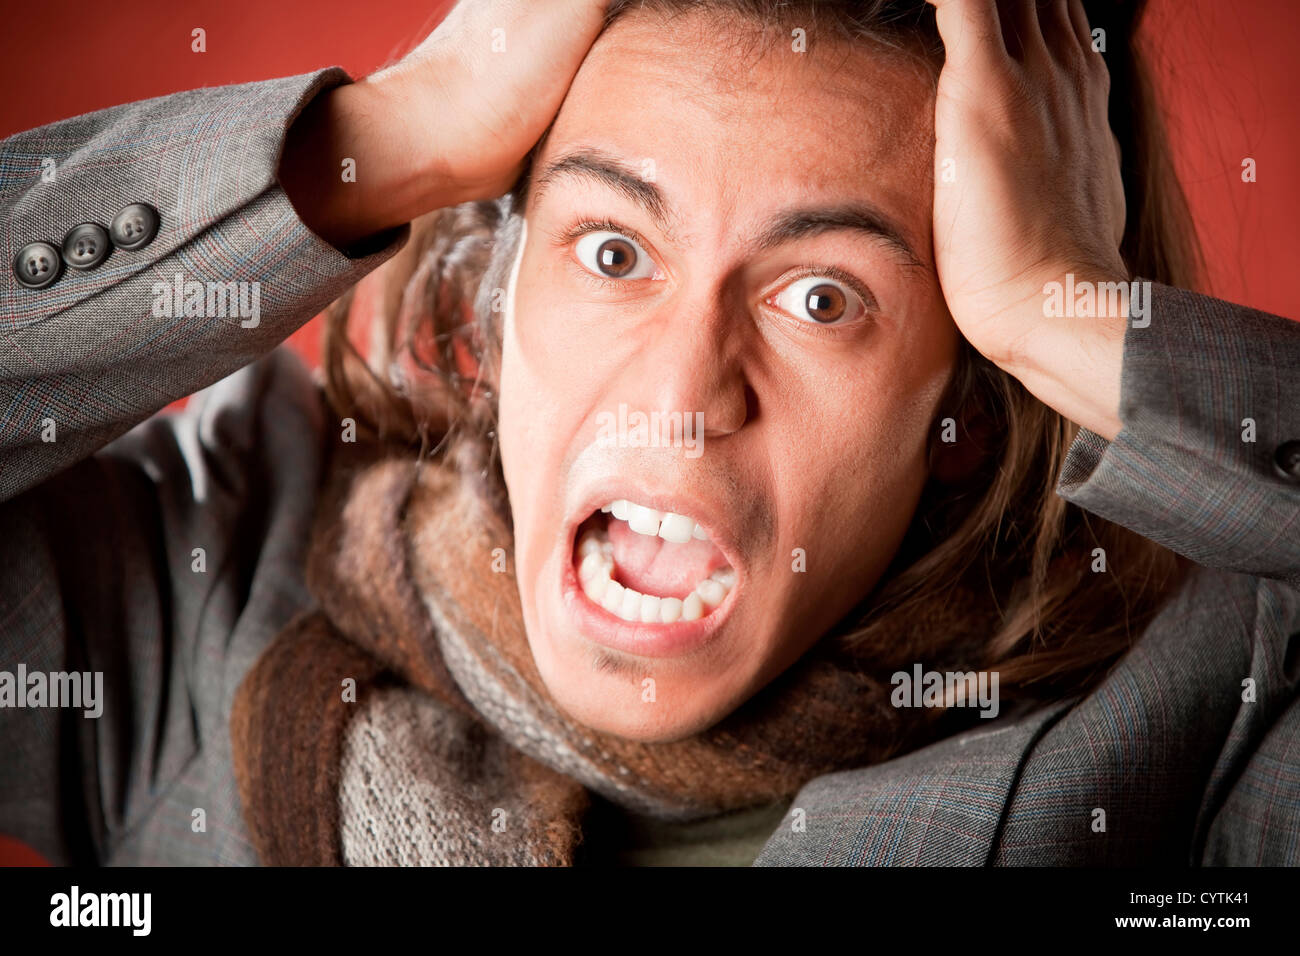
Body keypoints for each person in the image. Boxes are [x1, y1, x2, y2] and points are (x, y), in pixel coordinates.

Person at [1, 0, 1297, 867]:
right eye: (613, 249)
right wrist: (373, 139)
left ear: (964, 405)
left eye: (822, 298)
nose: (686, 388)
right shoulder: (214, 562)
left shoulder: (1199, 716)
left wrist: (1066, 320)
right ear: (499, 308)